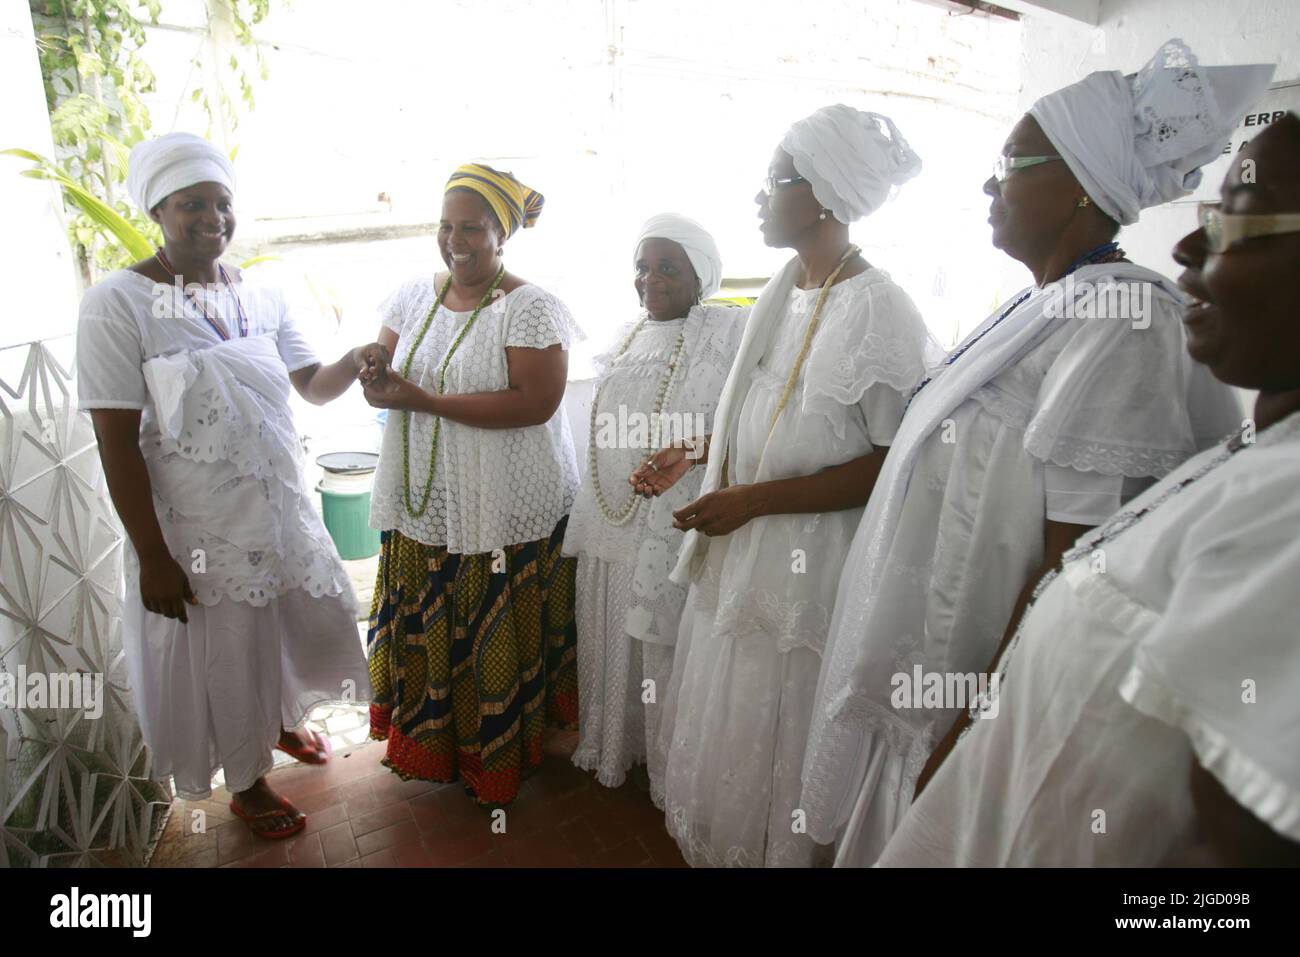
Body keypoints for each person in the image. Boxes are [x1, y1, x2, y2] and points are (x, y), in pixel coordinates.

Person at [800, 39, 1275, 867]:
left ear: (1081, 186)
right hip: (927, 675)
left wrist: (969, 734)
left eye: (1012, 164)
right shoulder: (1049, 302)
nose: (991, 184)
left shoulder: (1122, 323)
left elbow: (1069, 568)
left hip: (971, 695)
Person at [631, 105, 934, 866]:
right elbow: (770, 420)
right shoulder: (784, 288)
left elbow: (894, 461)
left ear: (826, 194)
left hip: (809, 561)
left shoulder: (879, 309)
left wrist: (754, 500)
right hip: (741, 545)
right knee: (737, 705)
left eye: (776, 180)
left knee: (789, 703)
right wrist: (697, 453)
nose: (761, 196)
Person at [76, 132, 376, 839]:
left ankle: (276, 724)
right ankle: (245, 782)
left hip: (274, 511)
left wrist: (361, 357)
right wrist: (153, 554)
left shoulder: (260, 294)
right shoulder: (117, 304)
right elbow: (116, 442)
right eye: (190, 205)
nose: (211, 218)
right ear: (158, 210)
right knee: (226, 648)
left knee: (280, 629)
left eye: (221, 203)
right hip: (195, 529)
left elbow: (314, 387)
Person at [363, 163, 583, 806]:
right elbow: (389, 372)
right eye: (445, 225)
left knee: (492, 624)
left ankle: (499, 755)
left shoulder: (530, 307)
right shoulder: (411, 294)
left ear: (501, 235)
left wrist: (423, 400)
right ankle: (441, 746)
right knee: (432, 618)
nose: (455, 240)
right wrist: (375, 371)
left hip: (500, 505)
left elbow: (533, 403)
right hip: (426, 500)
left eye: (472, 228)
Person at [563, 214, 746, 797]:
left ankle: (672, 767)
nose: (650, 279)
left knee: (663, 634)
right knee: (613, 621)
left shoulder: (726, 331)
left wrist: (690, 452)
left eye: (669, 267)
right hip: (612, 513)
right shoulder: (625, 334)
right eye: (642, 267)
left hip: (675, 518)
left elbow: (747, 418)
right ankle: (618, 741)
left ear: (702, 276)